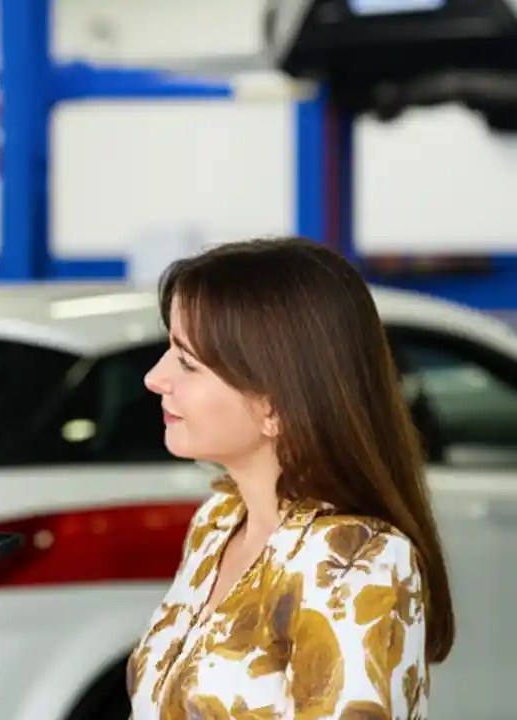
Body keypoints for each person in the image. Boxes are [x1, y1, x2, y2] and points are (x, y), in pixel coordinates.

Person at [125, 238, 454, 718]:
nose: (155, 377)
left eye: (187, 362)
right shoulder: (219, 522)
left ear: (275, 405)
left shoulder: (356, 562)